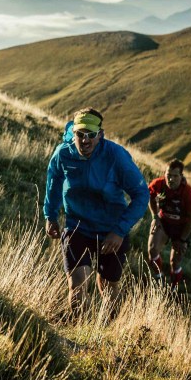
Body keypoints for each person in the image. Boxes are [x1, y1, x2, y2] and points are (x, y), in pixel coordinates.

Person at [44, 108, 148, 315]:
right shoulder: (63, 154)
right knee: (77, 284)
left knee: (108, 287)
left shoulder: (115, 156)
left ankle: (112, 329)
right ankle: (79, 329)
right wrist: (51, 215)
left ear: (100, 134)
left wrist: (119, 230)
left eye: (91, 135)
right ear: (74, 133)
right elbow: (53, 183)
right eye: (80, 134)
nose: (85, 140)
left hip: (111, 231)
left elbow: (141, 194)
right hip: (77, 227)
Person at [146, 158, 191, 288]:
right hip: (163, 222)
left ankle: (173, 288)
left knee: (175, 261)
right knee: (152, 250)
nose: (171, 179)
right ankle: (159, 279)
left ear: (181, 176)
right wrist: (155, 217)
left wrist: (182, 239)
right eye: (168, 175)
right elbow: (150, 195)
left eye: (175, 176)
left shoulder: (188, 193)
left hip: (181, 228)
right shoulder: (159, 184)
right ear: (164, 173)